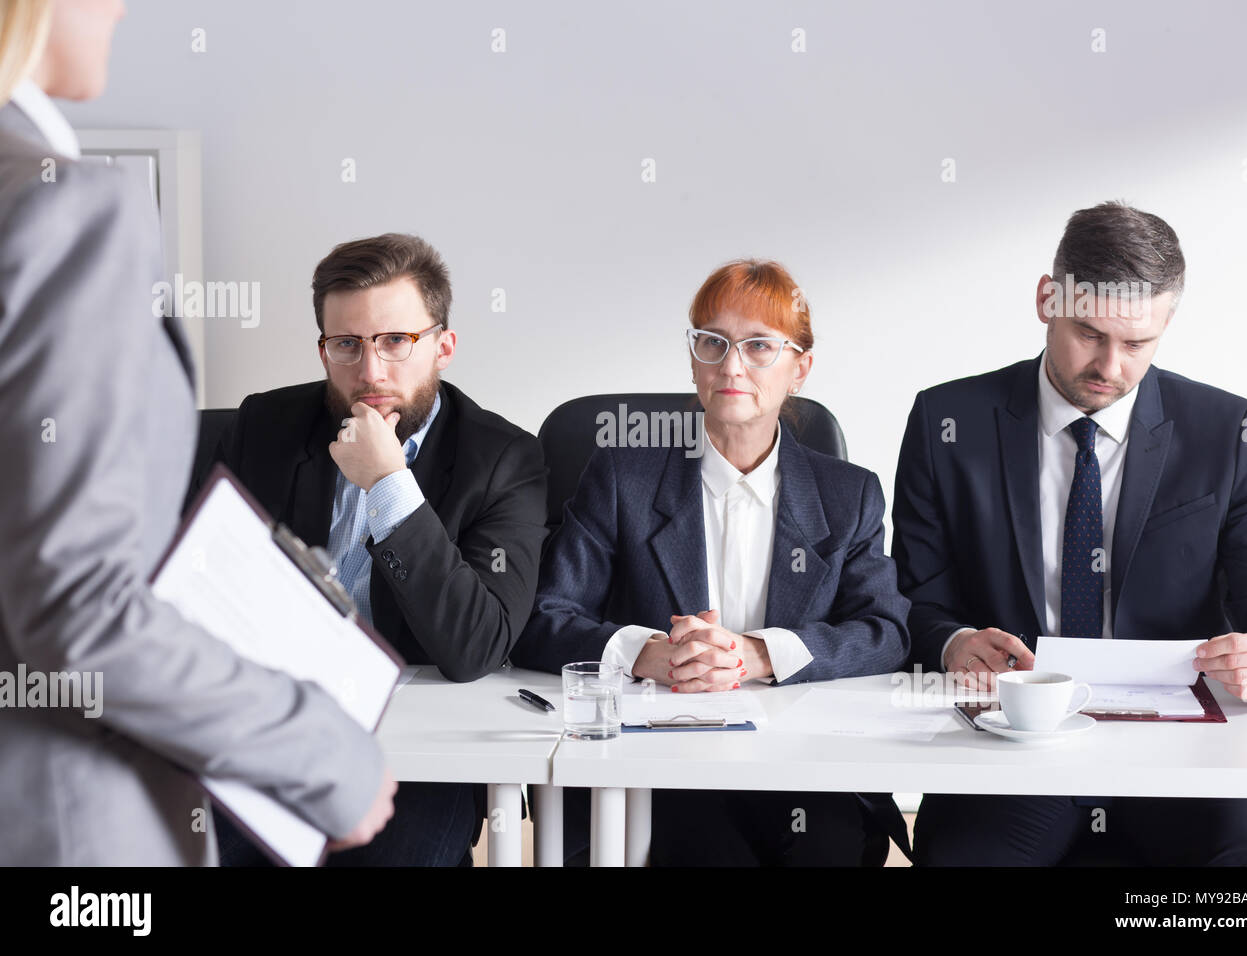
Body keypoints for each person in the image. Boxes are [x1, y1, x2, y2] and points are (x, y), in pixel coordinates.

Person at [0, 0, 395, 865]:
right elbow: (80, 608)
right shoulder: (62, 208)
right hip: (58, 825)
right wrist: (327, 753)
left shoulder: (500, 451)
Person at [892, 200, 1247, 866]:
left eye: (1137, 343)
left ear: (1167, 323)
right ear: (1047, 300)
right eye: (1088, 331)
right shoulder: (948, 422)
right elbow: (912, 595)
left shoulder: (1229, 433)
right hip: (1012, 748)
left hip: (1186, 755)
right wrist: (955, 642)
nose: (1109, 364)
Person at [512, 259, 912, 866]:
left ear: (799, 368)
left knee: (827, 850)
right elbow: (544, 616)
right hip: (659, 765)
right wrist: (650, 654)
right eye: (713, 342)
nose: (731, 365)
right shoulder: (623, 478)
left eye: (758, 346)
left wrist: (757, 654)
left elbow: (884, 633)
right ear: (693, 356)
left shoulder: (848, 493)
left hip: (802, 763)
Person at [194, 232, 549, 866]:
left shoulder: (503, 459)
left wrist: (390, 485)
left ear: (444, 345)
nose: (371, 372)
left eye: (395, 342)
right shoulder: (264, 427)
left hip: (421, 759)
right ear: (323, 350)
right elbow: (201, 591)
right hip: (273, 733)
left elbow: (477, 646)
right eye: (348, 345)